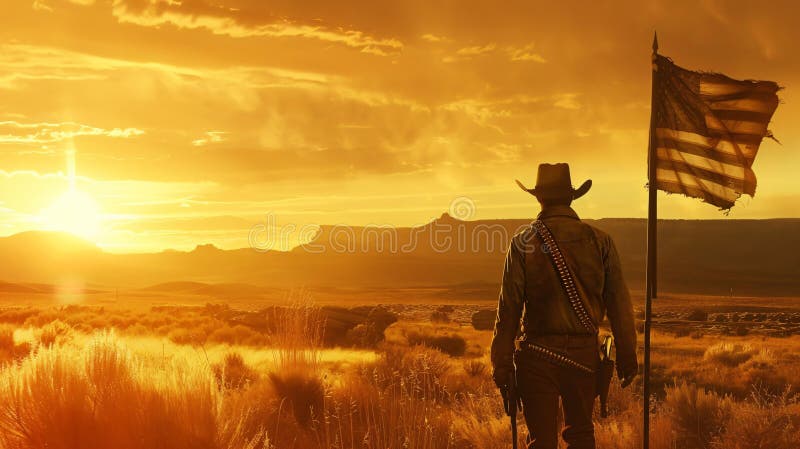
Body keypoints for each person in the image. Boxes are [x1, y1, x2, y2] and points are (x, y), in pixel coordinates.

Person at [491, 163, 638, 449]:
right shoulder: (600, 241)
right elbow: (619, 303)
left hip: (536, 357)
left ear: (538, 198)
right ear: (571, 198)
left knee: (541, 442)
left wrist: (501, 363)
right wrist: (628, 355)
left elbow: (508, 310)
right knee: (581, 436)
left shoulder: (523, 242)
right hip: (583, 357)